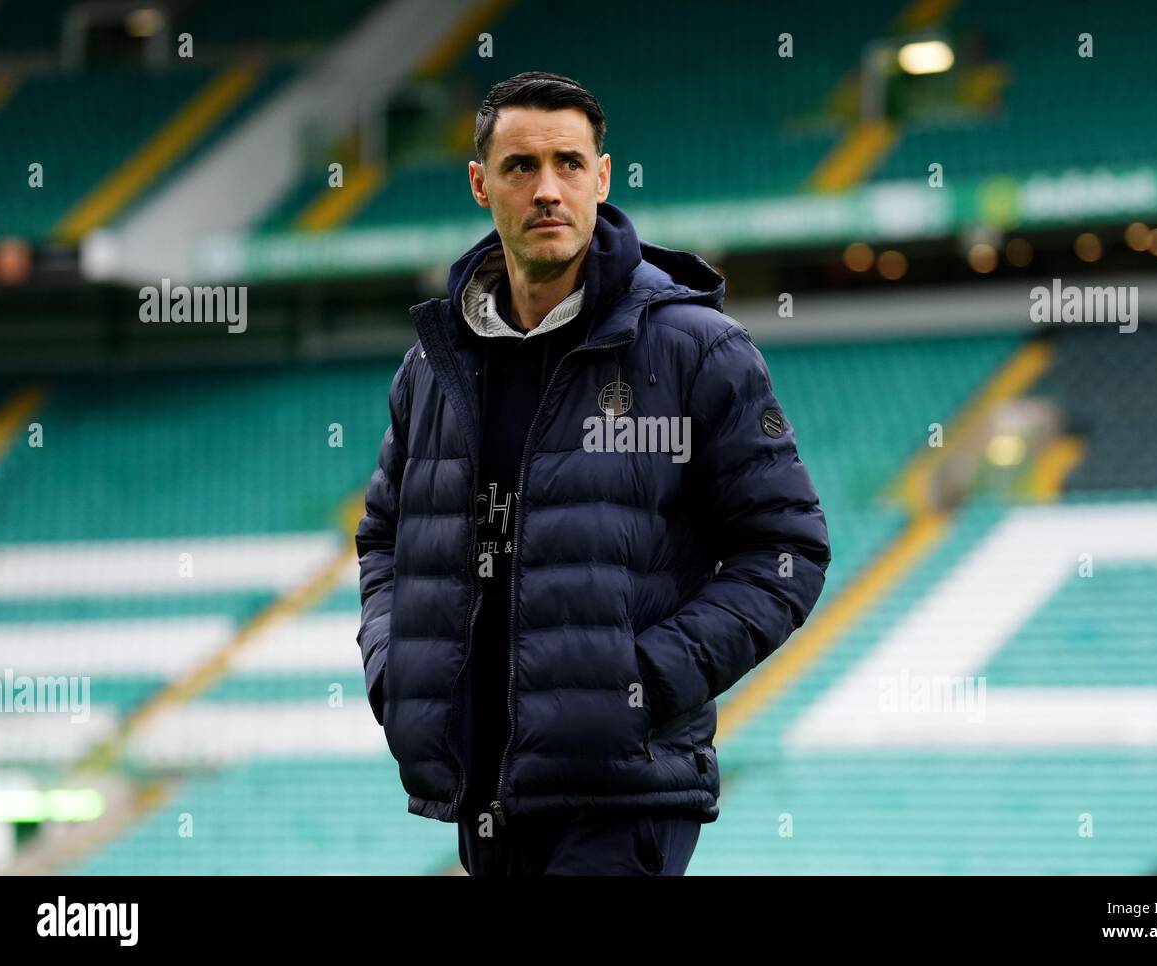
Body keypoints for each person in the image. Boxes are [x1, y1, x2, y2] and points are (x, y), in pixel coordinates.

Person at [355, 71, 830, 876]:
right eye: (520, 167)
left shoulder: (695, 351)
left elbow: (786, 552)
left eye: (570, 164)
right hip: (486, 791)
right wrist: (394, 669)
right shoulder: (432, 368)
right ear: (481, 185)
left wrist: (641, 679)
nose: (548, 189)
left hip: (624, 796)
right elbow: (384, 539)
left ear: (602, 179)